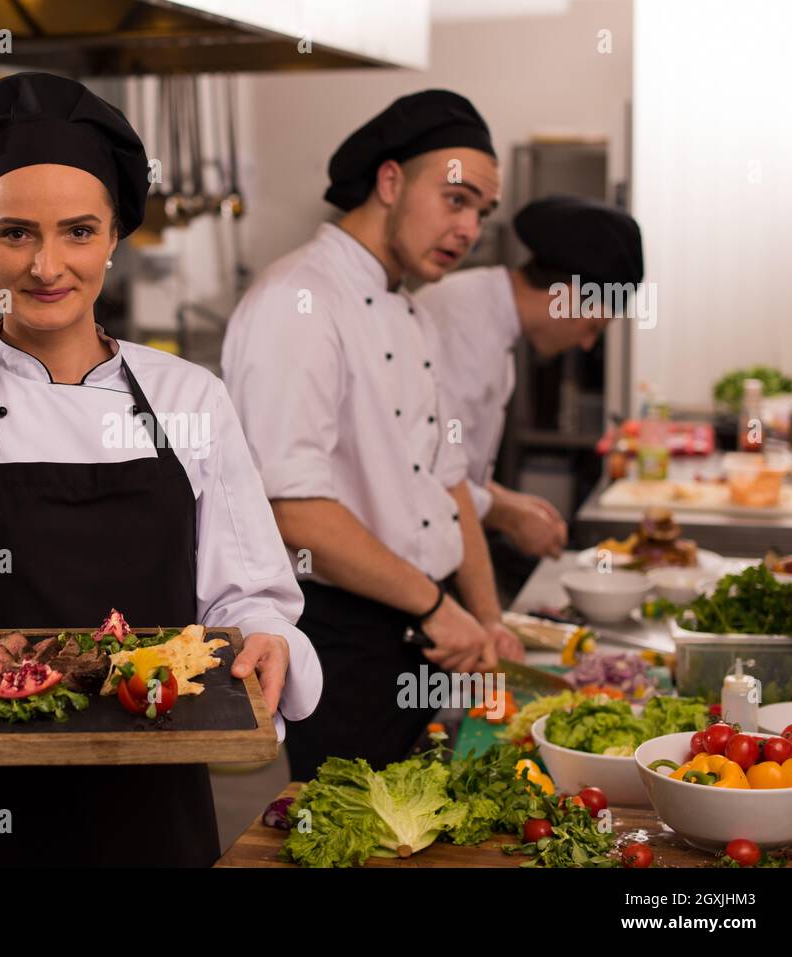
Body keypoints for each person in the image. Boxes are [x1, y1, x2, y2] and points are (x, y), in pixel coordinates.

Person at [0, 72, 321, 866]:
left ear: (115, 236)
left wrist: (264, 637)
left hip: (149, 817)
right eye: (16, 232)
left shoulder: (194, 399)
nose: (48, 266)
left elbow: (249, 596)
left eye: (78, 231)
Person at [221, 89, 523, 783]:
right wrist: (438, 607)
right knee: (357, 834)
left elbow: (446, 482)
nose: (470, 226)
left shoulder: (406, 308)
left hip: (424, 624)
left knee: (423, 835)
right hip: (348, 633)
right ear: (390, 181)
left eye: (482, 211)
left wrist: (486, 616)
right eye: (457, 199)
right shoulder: (296, 301)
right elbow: (292, 509)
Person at [415, 195, 645, 580]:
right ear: (563, 296)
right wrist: (507, 515)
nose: (588, 344)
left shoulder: (491, 317)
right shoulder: (464, 326)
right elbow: (425, 474)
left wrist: (510, 503)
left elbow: (458, 467)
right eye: (593, 327)